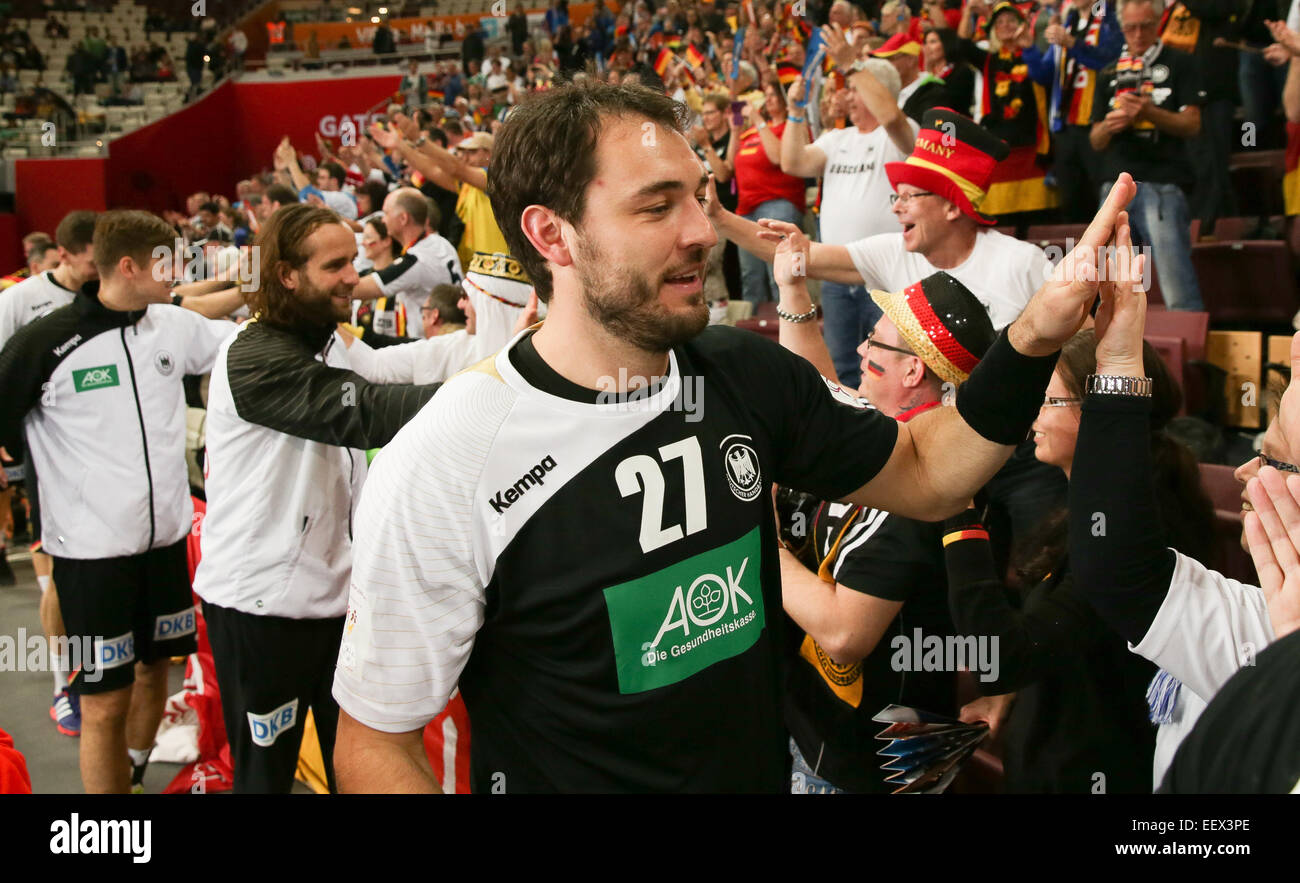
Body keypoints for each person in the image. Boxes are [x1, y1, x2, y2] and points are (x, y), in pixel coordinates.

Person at [330, 79, 1143, 793]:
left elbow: (930, 470)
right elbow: (374, 742)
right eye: (656, 206)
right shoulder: (445, 458)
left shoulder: (743, 374)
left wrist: (1033, 334)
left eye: (699, 194)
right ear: (551, 236)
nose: (703, 231)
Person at [192, 205, 441, 794]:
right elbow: (370, 412)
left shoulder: (327, 339)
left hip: (336, 601)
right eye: (335, 266)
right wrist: (499, 394)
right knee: (265, 777)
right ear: (286, 275)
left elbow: (388, 369)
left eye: (352, 261)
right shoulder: (254, 355)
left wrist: (503, 359)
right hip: (260, 609)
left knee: (353, 763)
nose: (352, 276)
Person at [0, 211, 236, 793]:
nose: (180, 272)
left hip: (165, 546)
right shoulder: (44, 342)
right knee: (104, 701)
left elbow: (242, 347)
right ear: (129, 266)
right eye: (169, 262)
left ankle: (130, 775)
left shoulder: (172, 326)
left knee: (157, 672)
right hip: (90, 557)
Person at [1063, 220, 1300, 787]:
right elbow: (1119, 569)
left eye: (1273, 460)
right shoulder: (1264, 622)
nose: (1246, 471)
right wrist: (1118, 363)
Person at [771, 255, 998, 793]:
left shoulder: (933, 483)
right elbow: (814, 390)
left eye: (873, 344)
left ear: (913, 371)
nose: (859, 351)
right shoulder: (900, 435)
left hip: (867, 765)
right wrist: (792, 289)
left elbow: (846, 633)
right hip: (832, 734)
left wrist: (754, 535)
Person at [802, 32, 920, 385]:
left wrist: (852, 66)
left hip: (884, 276)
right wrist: (794, 112)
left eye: (853, 88)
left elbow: (893, 118)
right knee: (839, 368)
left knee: (887, 369)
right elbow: (792, 162)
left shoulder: (902, 131)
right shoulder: (837, 138)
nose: (845, 95)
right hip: (836, 274)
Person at [1090, 0, 1205, 311]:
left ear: (1158, 24)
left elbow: (1193, 124)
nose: (1137, 34)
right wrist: (1111, 125)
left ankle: (1188, 355)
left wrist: (1149, 112)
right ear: (1122, 28)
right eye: (1130, 27)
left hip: (1164, 181)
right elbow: (1095, 138)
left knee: (1174, 279)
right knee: (1113, 283)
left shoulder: (1181, 62)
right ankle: (1112, 351)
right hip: (1115, 185)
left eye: (1145, 26)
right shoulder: (1109, 72)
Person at [958, 2, 1059, 222]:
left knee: (1038, 219)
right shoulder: (989, 60)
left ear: (1022, 25)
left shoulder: (1034, 55)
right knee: (1002, 221)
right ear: (993, 30)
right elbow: (962, 46)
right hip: (1001, 149)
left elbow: (1045, 77)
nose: (1005, 26)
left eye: (1011, 21)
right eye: (1000, 22)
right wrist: (967, 12)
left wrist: (1029, 47)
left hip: (1032, 146)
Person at [1043, 0, 1123, 223]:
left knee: (1101, 197)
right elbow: (1046, 73)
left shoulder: (1111, 15)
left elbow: (1112, 61)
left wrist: (1073, 44)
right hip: (1065, 123)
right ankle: (1076, 255)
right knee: (1070, 200)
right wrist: (1029, 48)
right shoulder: (1070, 21)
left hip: (1096, 122)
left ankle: (1109, 253)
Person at [730, 77, 805, 307]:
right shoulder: (751, 131)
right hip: (746, 209)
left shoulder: (791, 126)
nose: (769, 99)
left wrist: (758, 119)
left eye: (773, 95)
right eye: (767, 95)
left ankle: (786, 330)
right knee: (750, 277)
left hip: (778, 204)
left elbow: (777, 157)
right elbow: (732, 164)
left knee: (778, 274)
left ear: (784, 100)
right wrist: (735, 129)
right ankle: (755, 336)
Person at [352, 187, 462, 338]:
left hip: (433, 342)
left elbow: (359, 289)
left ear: (403, 219)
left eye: (386, 213)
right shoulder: (441, 243)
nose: (383, 220)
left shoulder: (416, 261)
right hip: (452, 333)